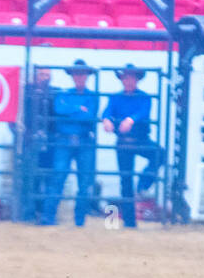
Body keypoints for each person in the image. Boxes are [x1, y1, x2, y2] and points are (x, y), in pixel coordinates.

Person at [101, 63, 160, 230]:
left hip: (140, 139)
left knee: (159, 154)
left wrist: (130, 119)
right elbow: (107, 111)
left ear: (137, 79)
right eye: (126, 77)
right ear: (122, 79)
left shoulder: (144, 97)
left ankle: (143, 183)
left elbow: (143, 112)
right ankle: (129, 221)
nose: (128, 80)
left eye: (132, 77)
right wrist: (106, 119)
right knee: (125, 179)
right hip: (124, 142)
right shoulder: (115, 97)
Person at [42, 59, 98, 227]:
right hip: (68, 140)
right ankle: (49, 218)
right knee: (58, 177)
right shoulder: (65, 95)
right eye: (77, 74)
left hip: (79, 140)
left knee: (83, 181)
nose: (79, 77)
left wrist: (70, 112)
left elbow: (90, 117)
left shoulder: (85, 96)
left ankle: (78, 220)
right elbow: (59, 110)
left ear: (86, 76)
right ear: (73, 76)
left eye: (82, 74)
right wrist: (79, 110)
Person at [20, 66, 55, 222]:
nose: (44, 78)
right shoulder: (26, 93)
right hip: (30, 140)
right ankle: (29, 212)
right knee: (30, 177)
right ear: (35, 76)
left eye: (47, 75)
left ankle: (42, 212)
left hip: (49, 140)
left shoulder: (53, 94)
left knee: (47, 176)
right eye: (41, 74)